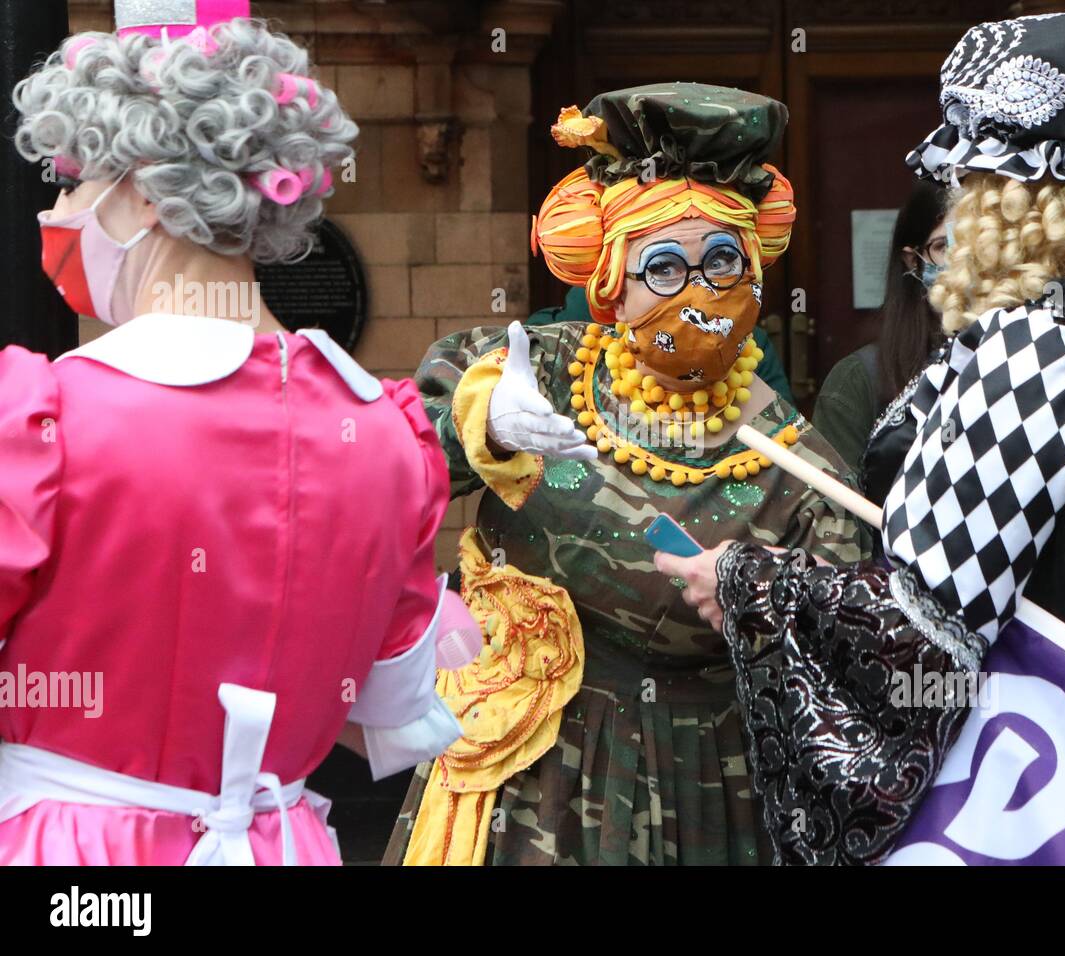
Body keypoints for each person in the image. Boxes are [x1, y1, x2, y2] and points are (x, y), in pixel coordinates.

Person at [657, 12, 1065, 864]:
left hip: (1046, 821)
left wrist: (743, 581)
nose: (958, 196)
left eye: (970, 176)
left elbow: (921, 638)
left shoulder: (1040, 345)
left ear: (1018, 194)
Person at [0, 4, 461, 865]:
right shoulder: (392, 436)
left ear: (139, 188)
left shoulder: (39, 417)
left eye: (71, 182)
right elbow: (392, 714)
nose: (58, 211)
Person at [385, 83, 863, 866]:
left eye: (722, 262)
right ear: (613, 284)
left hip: (713, 784)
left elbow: (850, 617)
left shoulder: (793, 455)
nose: (701, 292)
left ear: (756, 274)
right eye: (665, 269)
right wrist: (483, 429)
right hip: (536, 778)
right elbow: (384, 469)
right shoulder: (531, 370)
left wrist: (758, 587)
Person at [812, 179, 946, 478]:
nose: (966, 261)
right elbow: (838, 517)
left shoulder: (1028, 362)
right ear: (913, 260)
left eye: (981, 241)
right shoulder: (857, 382)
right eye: (944, 246)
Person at [529, 284, 797, 404]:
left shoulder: (748, 347)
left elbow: (791, 455)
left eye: (720, 259)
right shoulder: (555, 345)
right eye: (664, 268)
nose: (696, 287)